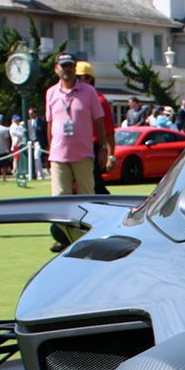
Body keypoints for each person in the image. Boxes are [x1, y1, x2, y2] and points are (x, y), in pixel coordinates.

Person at [44, 53, 112, 245]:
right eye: (62, 66)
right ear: (56, 69)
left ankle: (89, 235)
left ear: (74, 68)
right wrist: (50, 150)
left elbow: (99, 122)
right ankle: (62, 236)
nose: (66, 70)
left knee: (87, 196)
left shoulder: (89, 92)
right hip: (58, 154)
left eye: (69, 66)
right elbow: (50, 124)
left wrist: (102, 147)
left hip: (83, 153)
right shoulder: (50, 93)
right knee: (59, 198)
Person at [75, 61, 114, 196]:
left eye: (82, 77)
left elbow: (109, 131)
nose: (79, 81)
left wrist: (110, 156)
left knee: (95, 186)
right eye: (77, 78)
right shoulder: (72, 97)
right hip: (77, 147)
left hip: (94, 147)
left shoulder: (100, 100)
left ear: (90, 79)